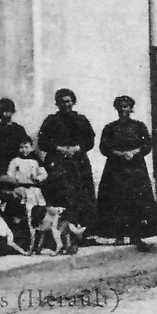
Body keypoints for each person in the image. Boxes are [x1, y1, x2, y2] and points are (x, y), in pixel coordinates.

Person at [96, 95, 157, 249]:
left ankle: (136, 236)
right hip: (115, 169)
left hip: (136, 169)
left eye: (126, 106)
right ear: (116, 108)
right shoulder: (110, 128)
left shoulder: (139, 126)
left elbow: (147, 144)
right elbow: (103, 147)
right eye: (120, 106)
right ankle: (118, 236)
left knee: (136, 202)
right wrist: (120, 154)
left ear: (131, 108)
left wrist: (135, 151)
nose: (123, 109)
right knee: (116, 201)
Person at [38, 88, 97, 232]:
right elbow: (43, 142)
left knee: (82, 195)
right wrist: (59, 148)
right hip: (58, 162)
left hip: (78, 163)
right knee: (61, 195)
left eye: (68, 101)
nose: (66, 105)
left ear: (73, 102)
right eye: (62, 102)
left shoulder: (81, 120)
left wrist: (78, 148)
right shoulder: (51, 121)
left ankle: (83, 232)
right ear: (57, 104)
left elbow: (90, 140)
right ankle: (62, 232)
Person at [0, 98, 30, 186]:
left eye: (7, 111)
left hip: (17, 167)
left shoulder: (19, 130)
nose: (4, 114)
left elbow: (26, 149)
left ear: (13, 112)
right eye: (1, 111)